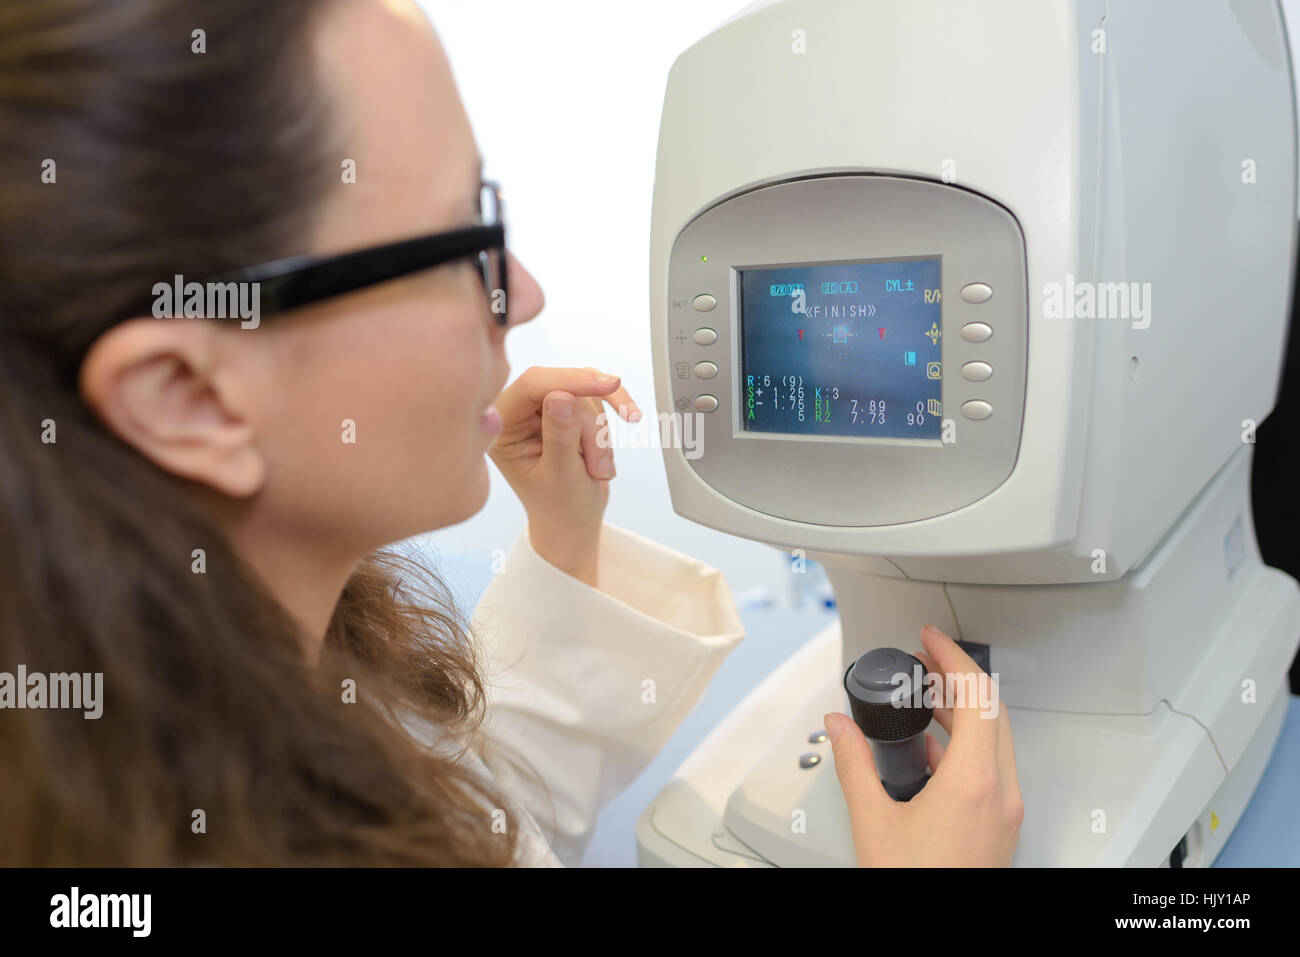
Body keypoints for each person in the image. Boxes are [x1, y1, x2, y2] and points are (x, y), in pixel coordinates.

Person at [0, 0, 1020, 866]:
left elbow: (471, 811)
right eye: (468, 245)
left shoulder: (267, 695)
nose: (524, 297)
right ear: (189, 396)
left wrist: (561, 541)